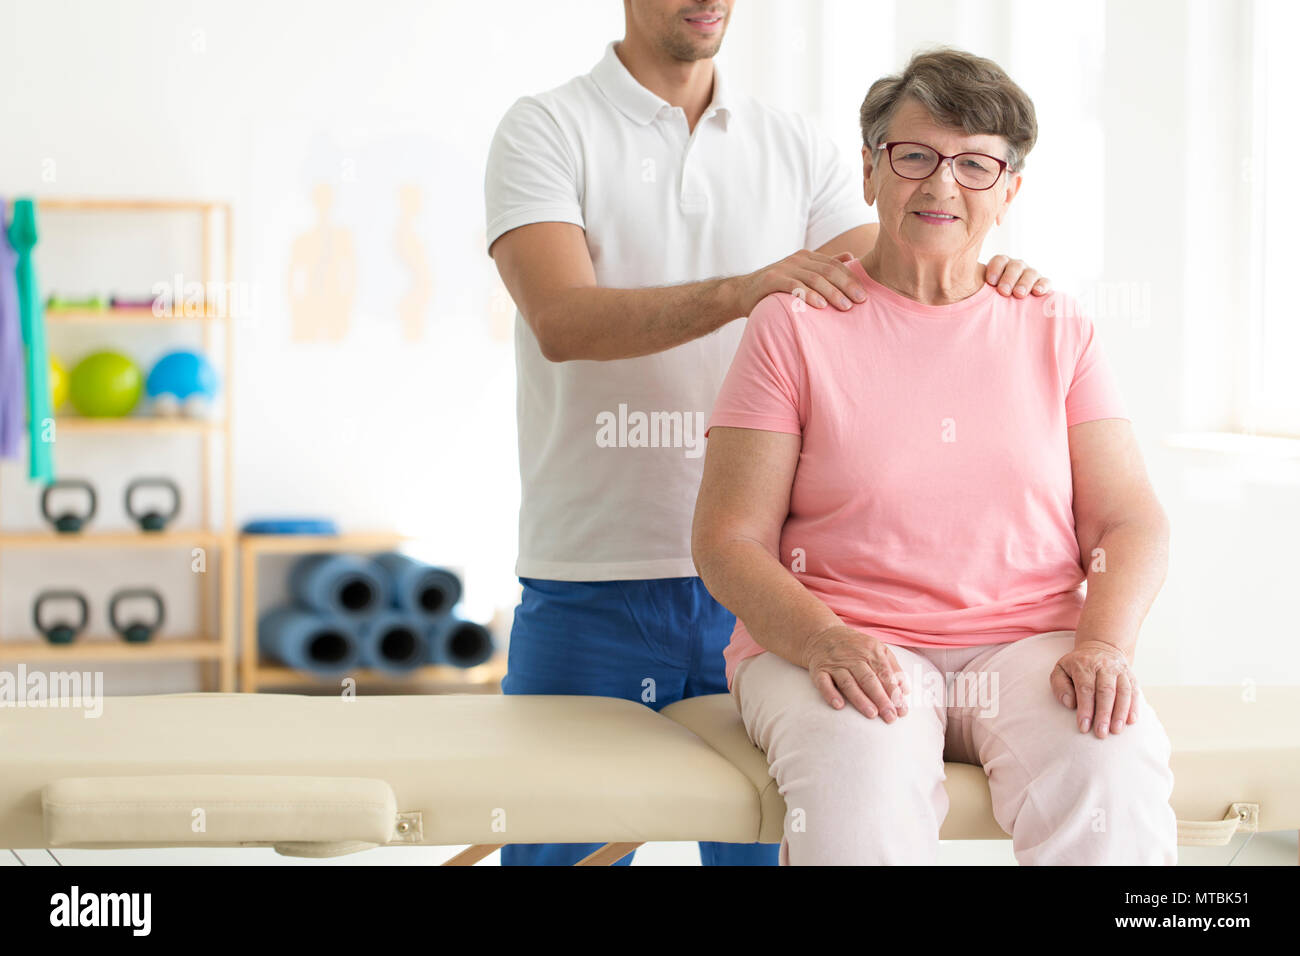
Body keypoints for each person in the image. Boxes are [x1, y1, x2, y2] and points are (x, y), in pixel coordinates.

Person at [485, 2, 1050, 866]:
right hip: (595, 571)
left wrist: (988, 275)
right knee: (556, 850)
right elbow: (562, 319)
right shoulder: (547, 128)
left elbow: (898, 286)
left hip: (775, 587)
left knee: (767, 850)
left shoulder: (796, 145)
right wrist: (749, 289)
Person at [692, 47, 1178, 866]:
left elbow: (1129, 519)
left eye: (976, 164)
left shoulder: (1054, 324)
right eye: (914, 155)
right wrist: (825, 642)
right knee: (862, 785)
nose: (942, 184)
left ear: (1011, 189)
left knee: (1110, 768)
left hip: (1028, 644)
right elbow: (728, 539)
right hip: (845, 636)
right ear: (871, 172)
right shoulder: (795, 324)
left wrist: (1103, 645)